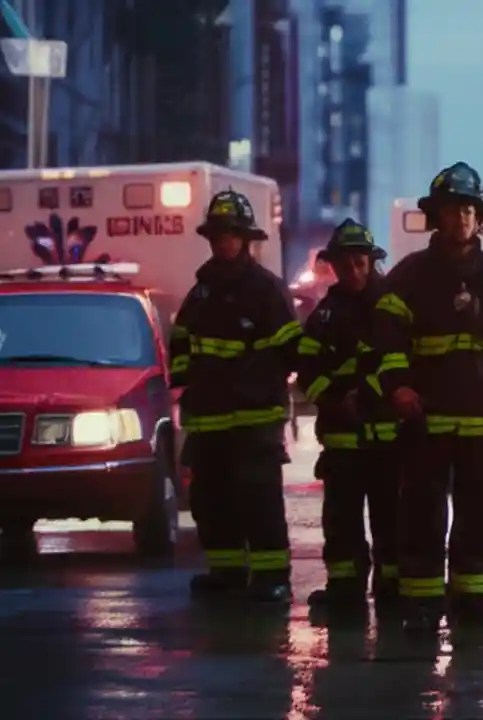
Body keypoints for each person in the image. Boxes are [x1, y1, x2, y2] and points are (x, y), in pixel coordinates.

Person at [372, 162, 483, 634]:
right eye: (452, 209)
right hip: (428, 416)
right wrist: (398, 386)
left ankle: (473, 601)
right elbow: (386, 339)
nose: (461, 217)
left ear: (478, 216)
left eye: (468, 209)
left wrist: (482, 312)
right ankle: (422, 604)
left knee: (479, 516)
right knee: (422, 513)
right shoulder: (409, 276)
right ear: (437, 216)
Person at [169, 190, 302, 603]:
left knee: (258, 497)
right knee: (212, 499)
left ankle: (271, 576)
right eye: (217, 235)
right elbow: (181, 342)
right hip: (209, 417)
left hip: (254, 416)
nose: (223, 241)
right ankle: (226, 571)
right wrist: (187, 383)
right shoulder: (202, 290)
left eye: (230, 234)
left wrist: (253, 380)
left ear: (245, 238)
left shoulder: (266, 290)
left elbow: (290, 350)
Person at [297, 219, 400, 612]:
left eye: (360, 263)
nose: (354, 272)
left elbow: (402, 362)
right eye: (346, 265)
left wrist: (370, 394)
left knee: (392, 518)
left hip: (389, 437)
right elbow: (306, 370)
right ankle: (345, 588)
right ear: (334, 267)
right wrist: (335, 399)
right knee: (341, 520)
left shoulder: (392, 307)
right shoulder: (325, 314)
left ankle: (392, 590)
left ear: (370, 262)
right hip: (341, 438)